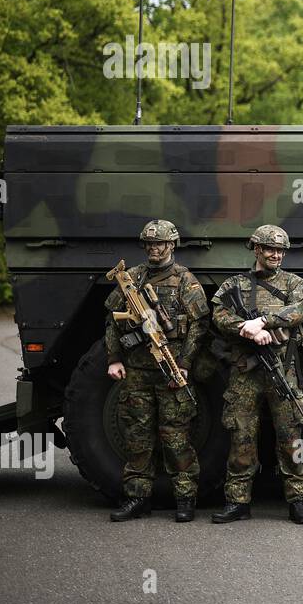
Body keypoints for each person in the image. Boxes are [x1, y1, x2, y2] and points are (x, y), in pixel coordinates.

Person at [104, 220, 209, 522]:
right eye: (149, 244)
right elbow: (112, 321)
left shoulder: (184, 280)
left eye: (159, 243)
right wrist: (114, 358)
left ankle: (185, 498)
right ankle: (137, 498)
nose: (153, 248)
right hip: (136, 370)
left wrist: (185, 364)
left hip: (169, 366)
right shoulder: (132, 277)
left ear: (172, 245)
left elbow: (199, 327)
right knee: (137, 436)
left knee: (176, 437)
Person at [210, 224, 303, 525]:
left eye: (280, 250)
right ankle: (237, 500)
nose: (276, 255)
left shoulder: (294, 283)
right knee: (241, 435)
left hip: (283, 369)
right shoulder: (235, 284)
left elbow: (298, 312)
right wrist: (244, 329)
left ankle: (299, 498)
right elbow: (219, 314)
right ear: (256, 249)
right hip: (246, 370)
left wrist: (262, 323)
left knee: (293, 436)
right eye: (270, 249)